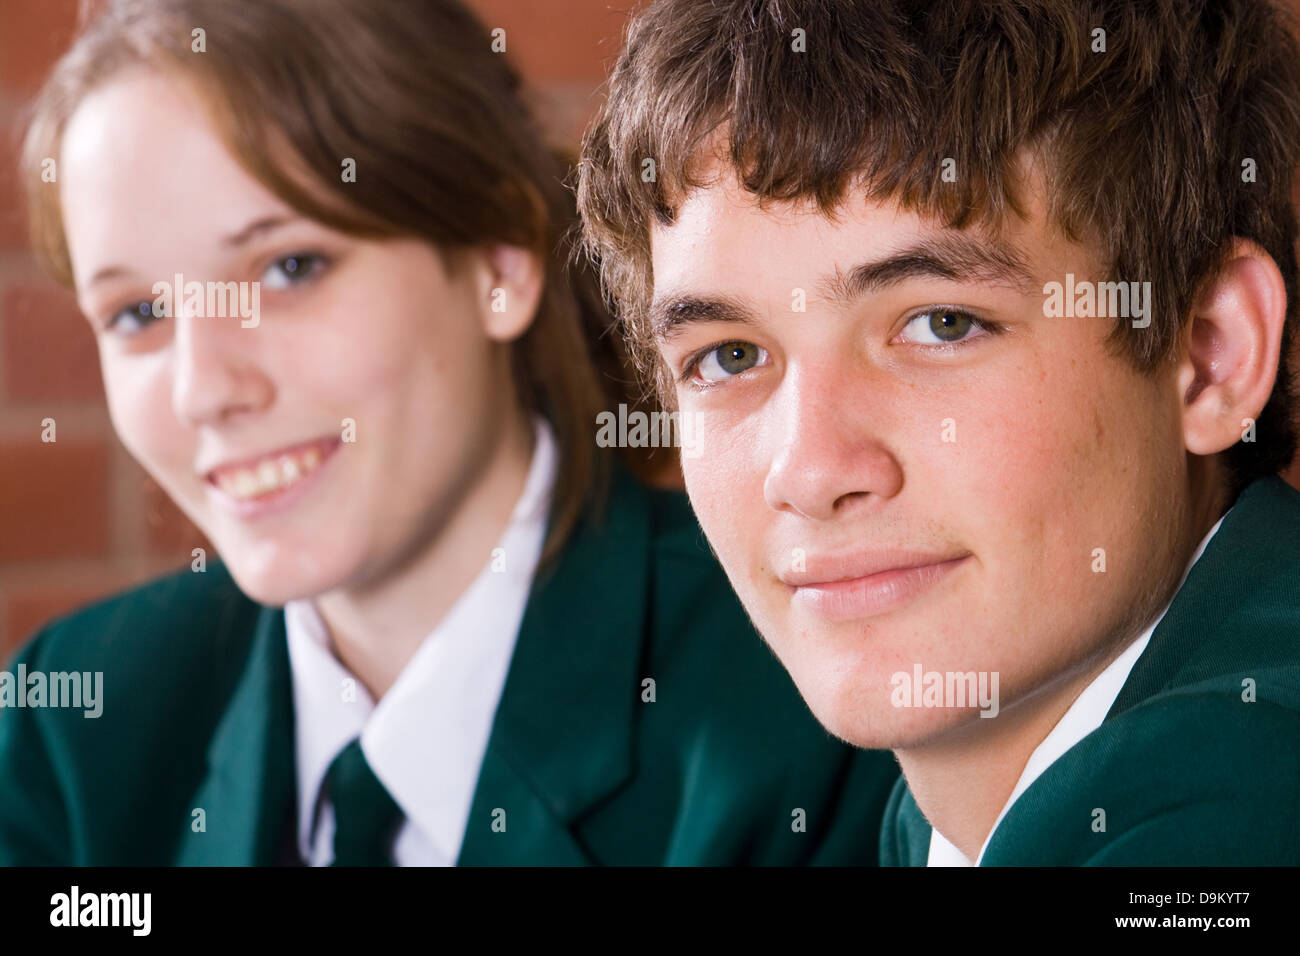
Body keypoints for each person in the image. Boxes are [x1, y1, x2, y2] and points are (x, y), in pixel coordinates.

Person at [0, 0, 899, 866]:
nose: (203, 389)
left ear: (498, 263)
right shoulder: (74, 725)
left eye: (288, 267)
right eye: (138, 312)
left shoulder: (806, 711)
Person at [576, 0, 1300, 864]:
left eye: (942, 324)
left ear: (1212, 351)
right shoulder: (961, 812)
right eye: (730, 356)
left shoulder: (1239, 804)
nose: (810, 470)